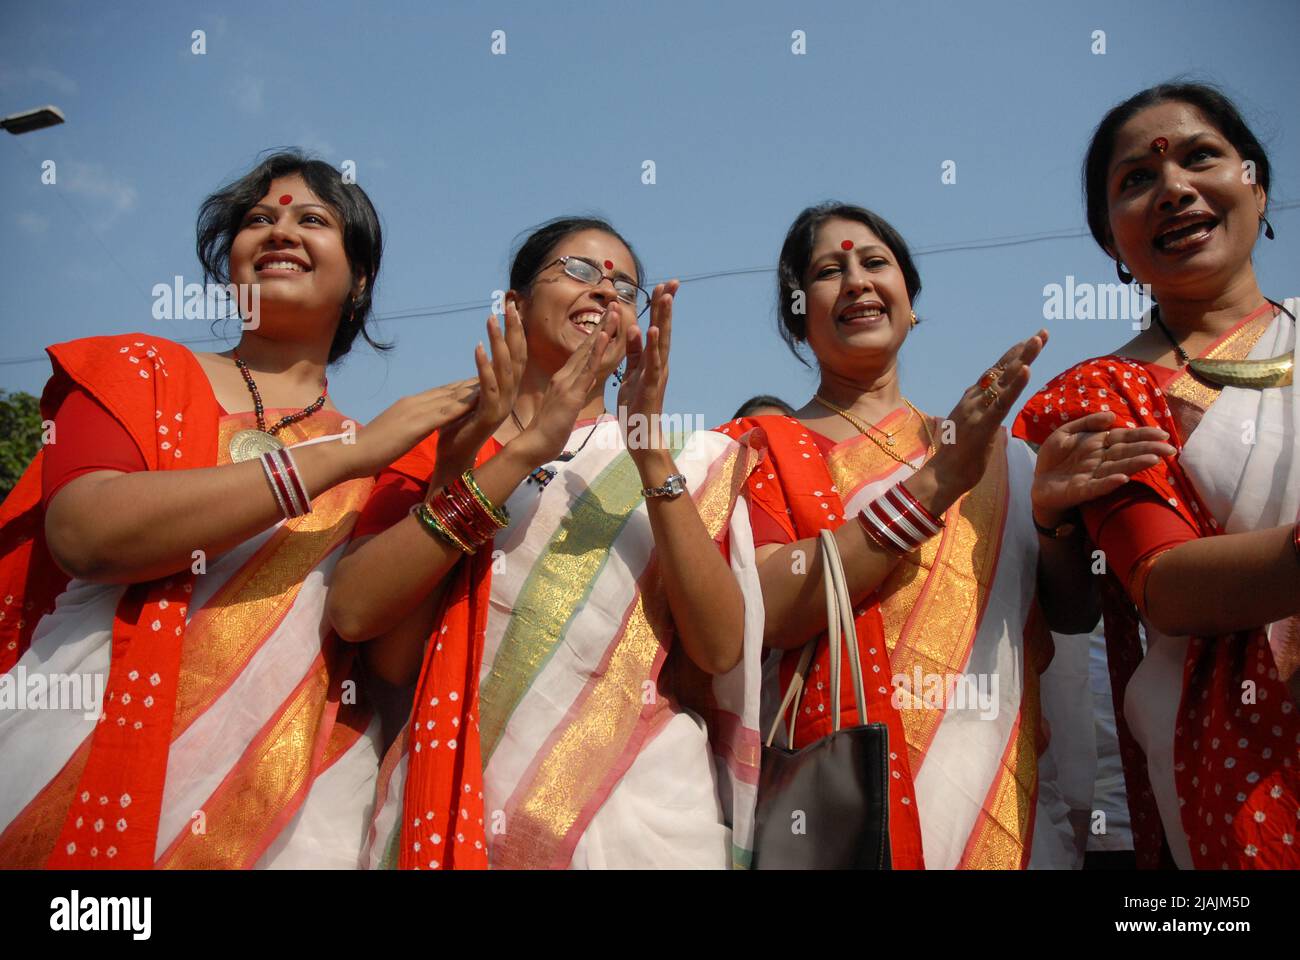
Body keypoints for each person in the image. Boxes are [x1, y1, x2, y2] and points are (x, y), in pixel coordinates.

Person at [0, 150, 481, 868]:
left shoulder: (393, 467)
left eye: (311, 219)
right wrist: (342, 456)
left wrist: (453, 476)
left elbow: (384, 657)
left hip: (296, 811)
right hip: (85, 746)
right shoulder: (141, 371)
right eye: (259, 220)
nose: (280, 230)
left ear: (361, 281)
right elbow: (86, 532)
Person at [718, 201, 1171, 868]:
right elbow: (774, 614)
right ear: (798, 316)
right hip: (845, 814)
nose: (857, 281)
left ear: (912, 302)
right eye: (827, 271)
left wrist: (1051, 521)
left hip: (1007, 806)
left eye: (876, 262)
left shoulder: (1004, 458)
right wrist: (936, 484)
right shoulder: (758, 451)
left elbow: (1070, 618)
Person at [327, 217, 764, 869]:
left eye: (624, 287)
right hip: (454, 811)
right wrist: (492, 460)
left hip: (639, 820)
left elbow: (720, 646)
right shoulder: (444, 440)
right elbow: (372, 635)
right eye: (580, 272)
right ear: (514, 304)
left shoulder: (685, 459)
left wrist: (647, 458)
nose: (604, 293)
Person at [1013, 82, 1300, 869]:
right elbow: (1169, 589)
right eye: (1136, 181)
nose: (1174, 188)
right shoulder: (1095, 397)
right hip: (1232, 765)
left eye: (1202, 158)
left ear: (1256, 182)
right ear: (1111, 242)